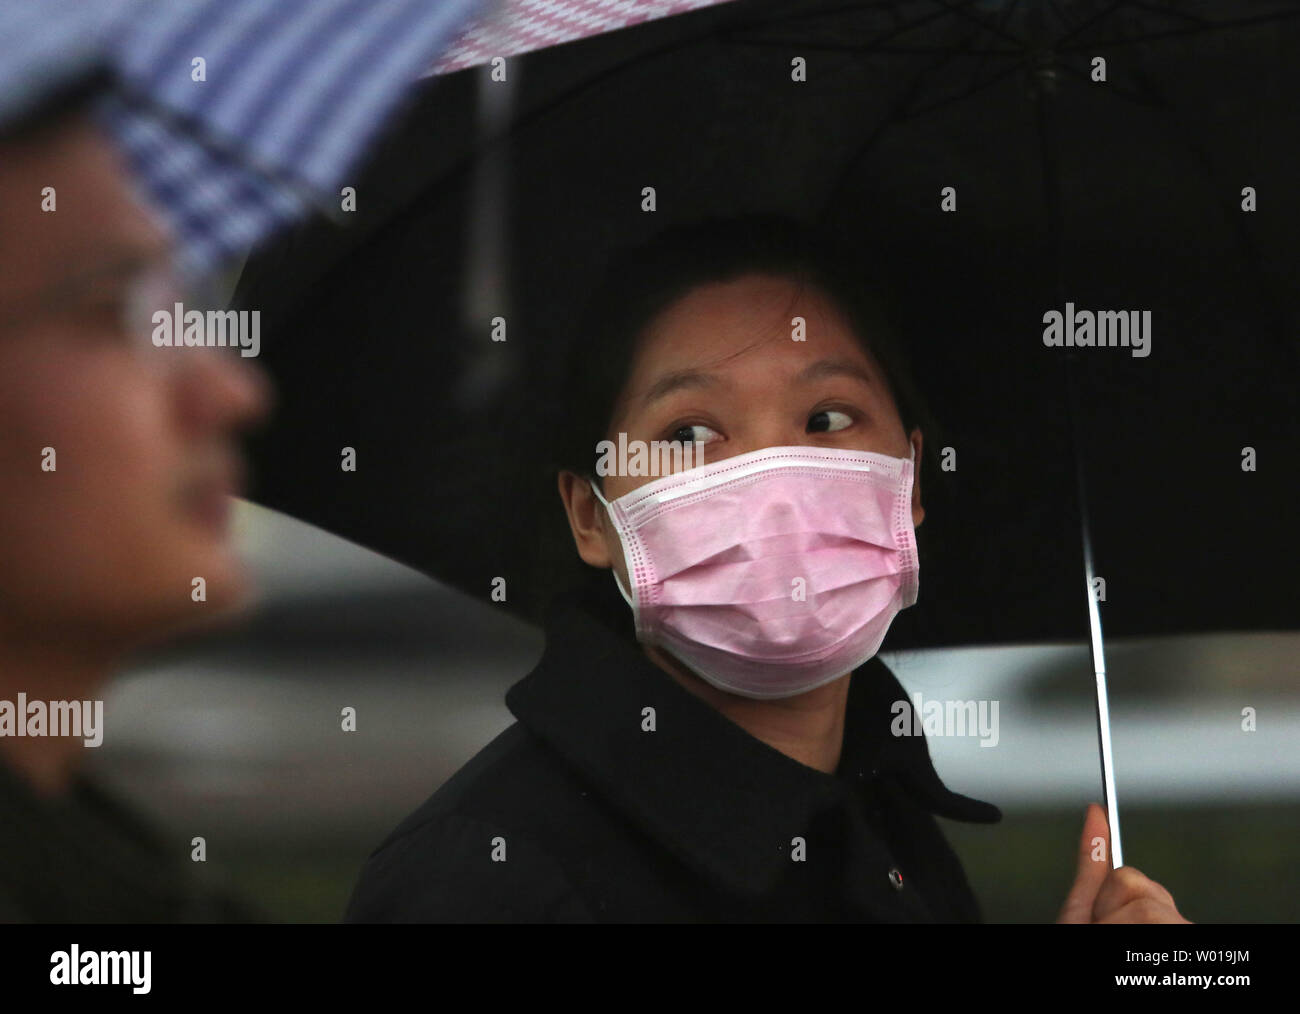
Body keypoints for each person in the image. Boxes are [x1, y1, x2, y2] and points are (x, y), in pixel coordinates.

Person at [344, 215, 1189, 923]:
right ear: (588, 514)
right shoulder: (486, 880)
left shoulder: (891, 835)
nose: (778, 485)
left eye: (827, 417)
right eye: (690, 434)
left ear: (913, 477)